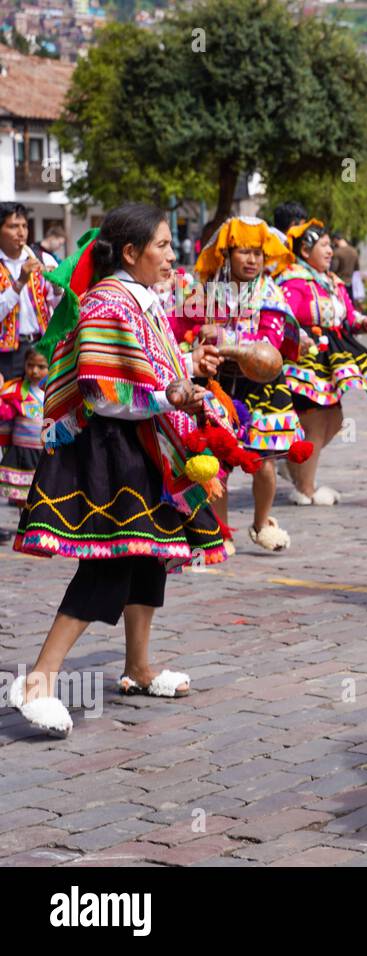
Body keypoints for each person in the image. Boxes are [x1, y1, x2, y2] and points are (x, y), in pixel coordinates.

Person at [8, 204, 230, 737]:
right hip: (115, 450)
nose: (172, 255)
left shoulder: (142, 300)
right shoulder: (108, 303)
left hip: (146, 443)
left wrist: (187, 369)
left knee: (151, 557)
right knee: (110, 561)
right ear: (131, 253)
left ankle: (137, 666)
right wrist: (168, 392)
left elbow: (149, 365)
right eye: (162, 245)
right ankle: (38, 678)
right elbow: (104, 391)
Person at [173, 216, 301, 551]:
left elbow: (269, 343)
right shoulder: (208, 291)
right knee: (216, 463)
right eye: (244, 251)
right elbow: (183, 327)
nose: (252, 260)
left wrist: (224, 337)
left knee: (264, 462)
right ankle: (220, 533)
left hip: (260, 385)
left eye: (258, 253)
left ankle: (261, 524)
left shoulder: (270, 292)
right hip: (217, 384)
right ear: (227, 254)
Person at [277, 219, 367, 505]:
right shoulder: (292, 281)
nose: (330, 251)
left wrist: (362, 321)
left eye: (330, 245)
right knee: (316, 421)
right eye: (323, 246)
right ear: (305, 251)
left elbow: (345, 313)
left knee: (335, 420)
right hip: (307, 356)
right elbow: (283, 316)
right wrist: (298, 336)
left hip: (331, 352)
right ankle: (305, 487)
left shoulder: (330, 281)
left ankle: (293, 461)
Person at [0, 202, 62, 381]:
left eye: (24, 226)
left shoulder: (44, 258)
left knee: (44, 403)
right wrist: (20, 282)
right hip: (8, 354)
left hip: (41, 346)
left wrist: (57, 286)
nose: (21, 233)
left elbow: (59, 309)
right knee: (12, 405)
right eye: (13, 226)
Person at [0, 348, 47, 519]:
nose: (34, 371)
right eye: (30, 365)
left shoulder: (53, 392)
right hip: (22, 451)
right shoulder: (16, 392)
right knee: (21, 496)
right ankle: (24, 523)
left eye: (41, 366)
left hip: (43, 453)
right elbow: (5, 413)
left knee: (40, 494)